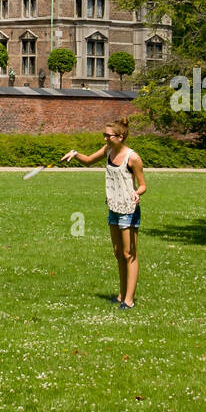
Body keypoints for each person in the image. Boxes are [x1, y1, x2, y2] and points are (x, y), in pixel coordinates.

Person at [61, 119, 146, 309]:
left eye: (108, 135)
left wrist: (136, 193)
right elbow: (90, 160)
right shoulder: (108, 150)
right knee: (118, 253)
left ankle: (129, 300)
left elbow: (143, 185)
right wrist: (75, 154)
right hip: (113, 207)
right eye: (104, 135)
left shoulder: (132, 158)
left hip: (129, 210)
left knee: (129, 254)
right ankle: (121, 295)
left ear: (121, 137)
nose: (105, 138)